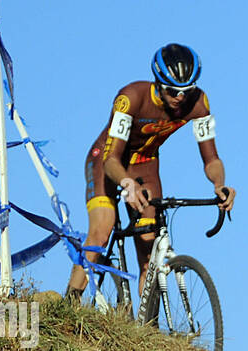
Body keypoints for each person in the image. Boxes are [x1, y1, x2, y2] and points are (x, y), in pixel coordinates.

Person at [65, 44, 235, 300]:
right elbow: (112, 159)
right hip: (108, 160)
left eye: (186, 91)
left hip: (145, 162)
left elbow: (211, 159)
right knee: (103, 228)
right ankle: (70, 302)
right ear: (158, 83)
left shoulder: (199, 103)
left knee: (149, 251)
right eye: (172, 90)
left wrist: (219, 184)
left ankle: (147, 328)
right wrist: (126, 184)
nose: (180, 97)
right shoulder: (131, 97)